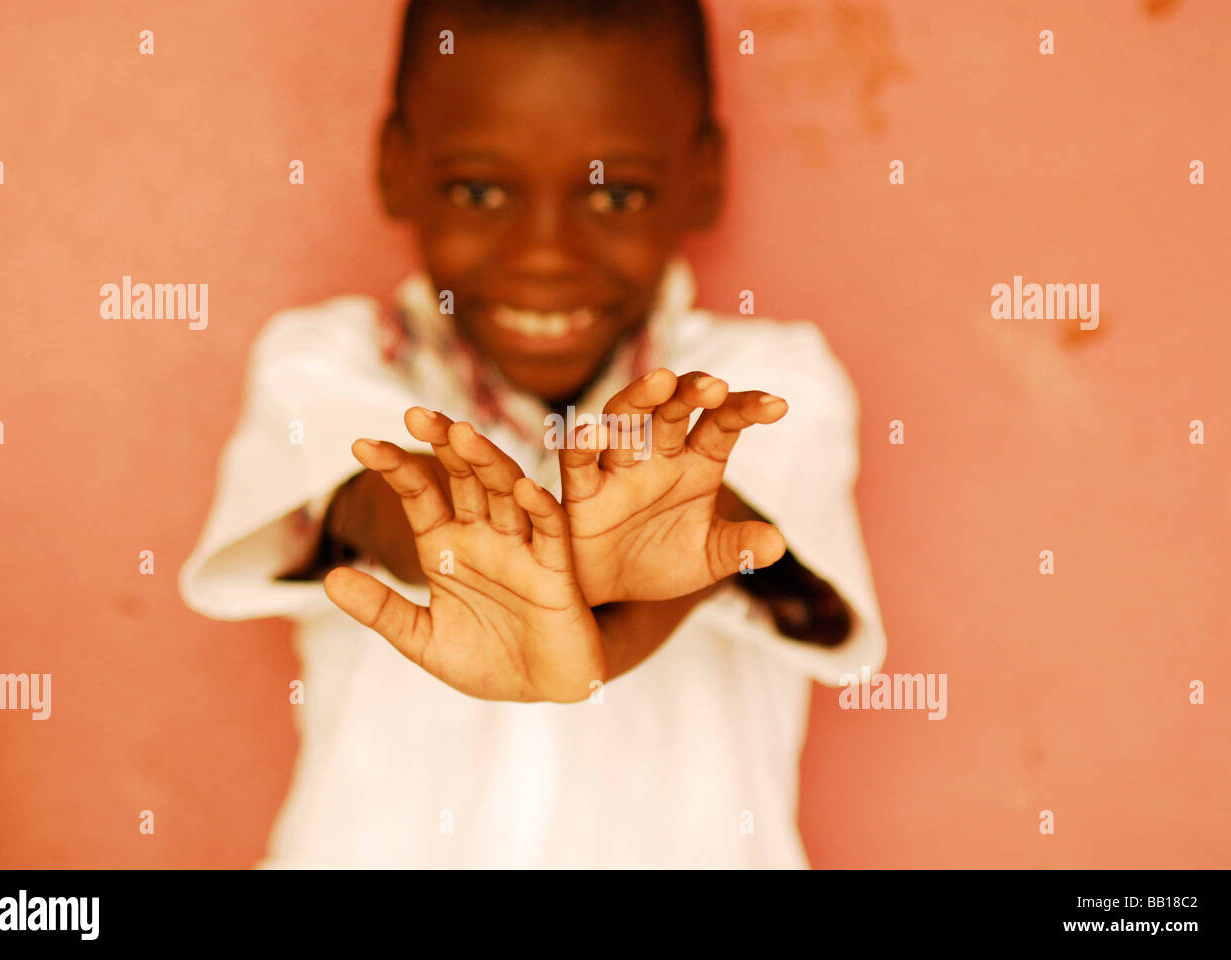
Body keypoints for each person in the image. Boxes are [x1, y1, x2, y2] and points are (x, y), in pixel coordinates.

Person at [180, 0, 886, 868]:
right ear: (395, 167)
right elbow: (376, 500)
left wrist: (595, 629)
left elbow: (717, 533)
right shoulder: (327, 365)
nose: (545, 252)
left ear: (703, 175)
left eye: (615, 194)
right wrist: (498, 566)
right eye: (480, 191)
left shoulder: (762, 390)